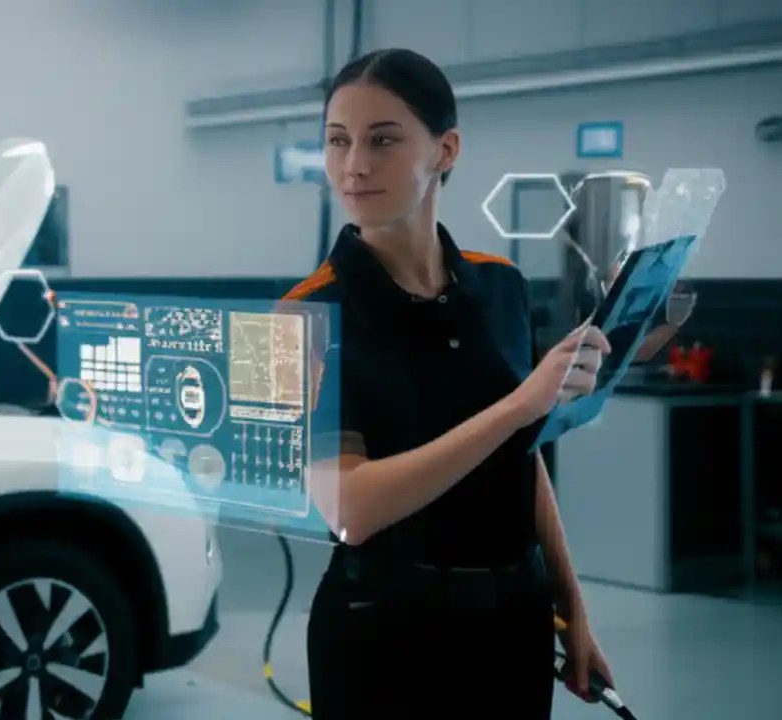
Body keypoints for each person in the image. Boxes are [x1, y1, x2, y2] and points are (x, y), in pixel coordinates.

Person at [285, 48, 615, 717]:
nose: (354, 165)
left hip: (512, 626)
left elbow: (523, 464)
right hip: (381, 635)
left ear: (445, 150)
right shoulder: (301, 315)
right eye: (338, 142)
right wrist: (521, 404)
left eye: (383, 140)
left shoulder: (501, 285)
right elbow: (348, 509)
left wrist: (572, 605)